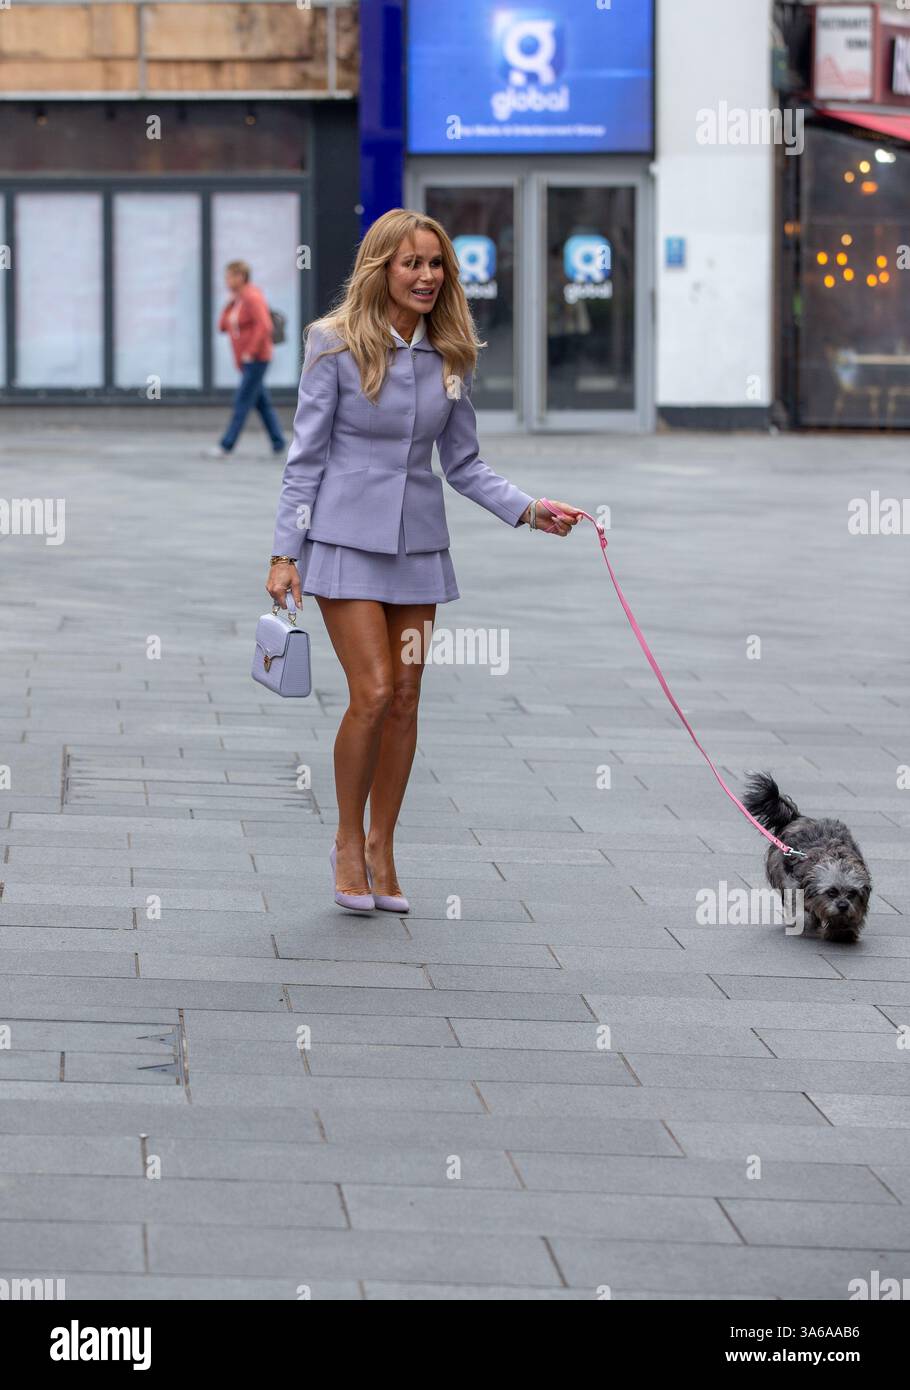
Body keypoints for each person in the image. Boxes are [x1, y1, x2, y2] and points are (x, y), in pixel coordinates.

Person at [266, 208, 584, 913]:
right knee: (373, 692)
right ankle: (348, 841)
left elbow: (463, 462)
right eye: (412, 263)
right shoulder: (332, 345)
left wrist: (531, 510)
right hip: (343, 545)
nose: (426, 276)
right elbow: (305, 457)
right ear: (382, 268)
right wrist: (285, 550)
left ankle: (384, 845)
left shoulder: (450, 354)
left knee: (406, 702)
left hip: (418, 549)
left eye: (436, 264)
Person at [206, 260, 286, 459]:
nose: (226, 280)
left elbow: (265, 326)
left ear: (241, 276)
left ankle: (226, 445)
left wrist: (250, 351)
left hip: (256, 359)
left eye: (230, 276)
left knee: (242, 401)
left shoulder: (252, 296)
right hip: (246, 361)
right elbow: (223, 326)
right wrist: (230, 302)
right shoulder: (239, 299)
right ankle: (279, 442)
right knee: (262, 403)